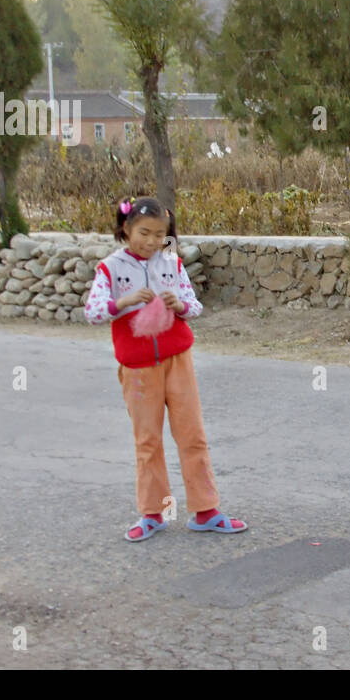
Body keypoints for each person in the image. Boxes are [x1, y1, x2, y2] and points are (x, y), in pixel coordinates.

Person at [84, 195, 247, 542]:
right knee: (148, 441)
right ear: (125, 230)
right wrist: (125, 302)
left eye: (160, 234)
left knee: (192, 434)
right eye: (144, 232)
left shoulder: (171, 262)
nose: (152, 241)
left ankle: (206, 510)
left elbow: (194, 306)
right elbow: (93, 312)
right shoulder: (110, 268)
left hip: (178, 360)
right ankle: (152, 513)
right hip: (138, 367)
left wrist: (180, 305)